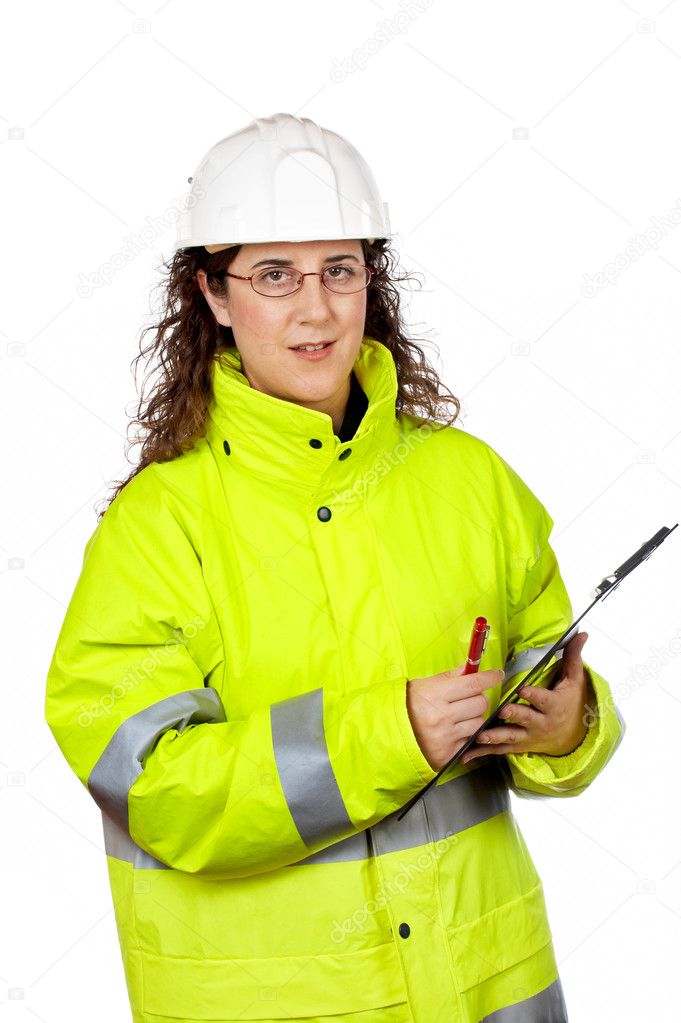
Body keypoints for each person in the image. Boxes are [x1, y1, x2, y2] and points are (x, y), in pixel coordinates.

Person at [44, 112, 625, 1023]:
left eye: (339, 270)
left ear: (369, 282)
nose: (316, 309)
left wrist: (568, 727)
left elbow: (548, 683)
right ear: (214, 295)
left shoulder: (467, 478)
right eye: (274, 275)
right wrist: (388, 735)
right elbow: (150, 784)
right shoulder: (159, 526)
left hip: (486, 989)